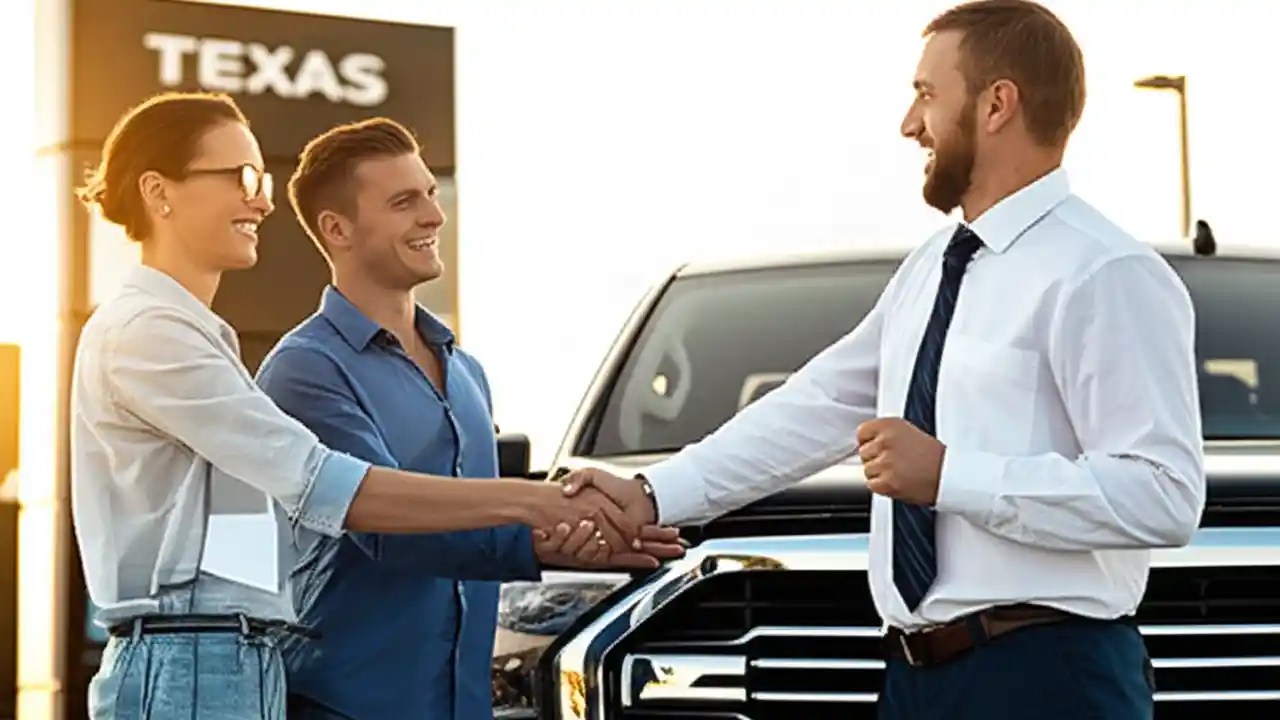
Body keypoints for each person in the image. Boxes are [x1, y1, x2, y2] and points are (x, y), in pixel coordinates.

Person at [562, 1, 1205, 718]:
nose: (909, 124)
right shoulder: (935, 265)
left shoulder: (1105, 272)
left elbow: (1163, 494)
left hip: (1048, 679)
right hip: (912, 680)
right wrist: (650, 494)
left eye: (927, 94)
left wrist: (949, 476)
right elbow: (824, 403)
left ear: (997, 105)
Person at [69, 91, 677, 719]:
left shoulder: (201, 341)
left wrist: (557, 539)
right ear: (158, 191)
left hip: (235, 662)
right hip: (192, 668)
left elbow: (269, 538)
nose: (263, 198)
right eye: (242, 176)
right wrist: (538, 503)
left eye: (265, 179)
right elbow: (330, 489)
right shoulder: (149, 335)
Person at [253, 117, 682, 719]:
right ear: (336, 229)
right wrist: (539, 515)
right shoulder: (306, 370)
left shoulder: (466, 371)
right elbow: (382, 527)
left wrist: (571, 546)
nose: (433, 216)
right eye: (405, 202)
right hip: (345, 705)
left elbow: (477, 531)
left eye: (430, 194)